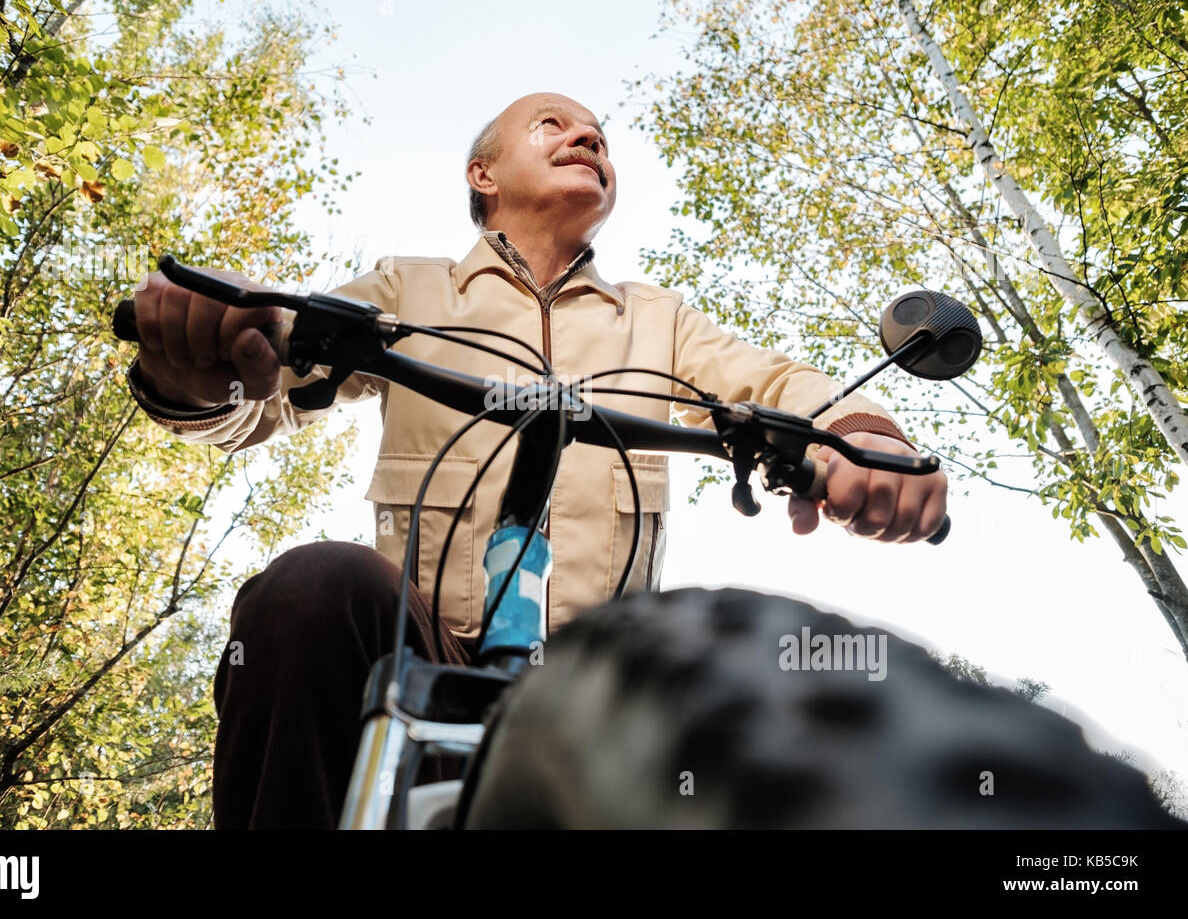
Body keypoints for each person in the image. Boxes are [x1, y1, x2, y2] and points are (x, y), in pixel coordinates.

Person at [125, 92, 948, 829]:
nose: (586, 135)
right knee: (316, 587)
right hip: (427, 660)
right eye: (551, 123)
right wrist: (211, 364)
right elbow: (277, 371)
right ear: (482, 174)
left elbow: (774, 384)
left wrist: (861, 437)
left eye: (598, 133)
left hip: (609, 692)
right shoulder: (409, 289)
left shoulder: (657, 318)